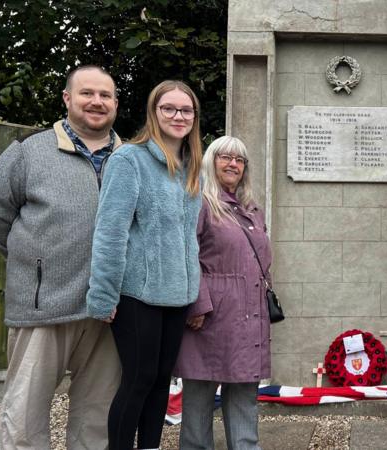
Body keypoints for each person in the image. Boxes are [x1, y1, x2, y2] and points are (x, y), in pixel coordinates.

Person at [0, 65, 121, 449]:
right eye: (87, 93)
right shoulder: (29, 153)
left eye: (105, 95)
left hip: (110, 310)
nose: (97, 102)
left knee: (99, 415)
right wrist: (33, 261)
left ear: (116, 104)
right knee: (24, 415)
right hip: (44, 304)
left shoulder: (131, 159)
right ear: (67, 98)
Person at [86, 80, 203, 450]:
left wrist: (194, 291)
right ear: (154, 113)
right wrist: (103, 295)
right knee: (138, 380)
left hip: (177, 297)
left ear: (194, 118)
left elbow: (189, 238)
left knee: (160, 380)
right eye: (168, 108)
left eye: (186, 110)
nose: (178, 116)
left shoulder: (191, 168)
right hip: (137, 295)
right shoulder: (129, 160)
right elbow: (110, 231)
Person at [173, 135, 272, 450]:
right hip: (209, 318)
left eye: (240, 160)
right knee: (199, 399)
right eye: (226, 157)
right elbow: (187, 254)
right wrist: (197, 306)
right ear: (211, 161)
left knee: (244, 395)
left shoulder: (252, 210)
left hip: (249, 317)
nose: (233, 164)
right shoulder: (199, 201)